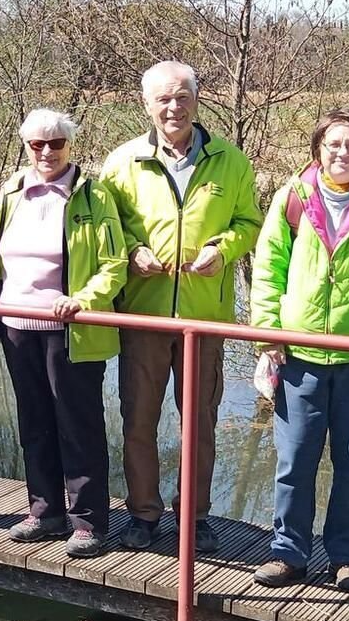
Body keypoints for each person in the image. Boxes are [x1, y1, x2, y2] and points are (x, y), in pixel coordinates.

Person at [97, 61, 263, 556]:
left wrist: (225, 248)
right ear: (146, 104)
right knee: (139, 422)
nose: (173, 107)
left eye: (182, 96)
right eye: (162, 99)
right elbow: (105, 228)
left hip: (203, 317)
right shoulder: (122, 162)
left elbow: (250, 221)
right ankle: (143, 515)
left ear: (197, 98)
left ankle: (194, 516)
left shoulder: (230, 161)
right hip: (142, 317)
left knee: (199, 425)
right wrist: (131, 252)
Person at [250, 108, 349, 592]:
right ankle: (288, 553)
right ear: (317, 150)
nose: (342, 153)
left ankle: (345, 556)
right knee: (294, 460)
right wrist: (268, 333)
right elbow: (267, 268)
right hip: (299, 353)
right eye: (333, 144)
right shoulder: (293, 198)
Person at [0, 109, 127, 560]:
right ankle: (45, 510)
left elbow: (114, 265)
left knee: (78, 425)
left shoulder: (94, 196)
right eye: (37, 144)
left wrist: (84, 299)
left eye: (55, 143)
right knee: (34, 423)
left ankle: (88, 521)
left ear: (70, 146)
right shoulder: (11, 192)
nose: (46, 152)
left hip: (71, 331)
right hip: (17, 327)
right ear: (26, 147)